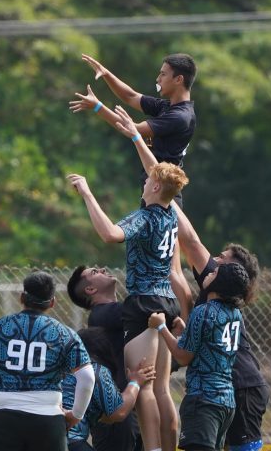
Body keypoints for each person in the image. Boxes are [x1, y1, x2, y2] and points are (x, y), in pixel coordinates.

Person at [110, 105, 270, 451]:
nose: (213, 262)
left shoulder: (209, 306)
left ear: (221, 275)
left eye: (220, 261)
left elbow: (187, 239)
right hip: (235, 390)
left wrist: (162, 187)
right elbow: (176, 276)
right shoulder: (230, 308)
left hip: (228, 389)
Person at [67, 163, 188, 451]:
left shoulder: (143, 217)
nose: (143, 184)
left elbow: (110, 234)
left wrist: (86, 193)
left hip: (144, 300)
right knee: (162, 389)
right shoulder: (171, 216)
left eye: (147, 181)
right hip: (167, 300)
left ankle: (153, 449)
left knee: (145, 387)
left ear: (156, 187)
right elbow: (175, 264)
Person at [0, 272, 95, 451]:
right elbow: (87, 378)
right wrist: (76, 414)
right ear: (52, 302)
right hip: (48, 419)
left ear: (21, 298)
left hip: (2, 419)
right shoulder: (65, 334)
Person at [149, 262, 250, 451]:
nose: (211, 272)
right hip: (226, 402)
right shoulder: (235, 314)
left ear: (221, 284)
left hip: (204, 401)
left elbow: (183, 357)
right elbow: (209, 345)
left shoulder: (203, 312)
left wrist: (161, 327)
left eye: (216, 272)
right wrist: (186, 332)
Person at [70, 53, 197, 199]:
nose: (158, 79)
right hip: (153, 194)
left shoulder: (180, 117)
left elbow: (133, 130)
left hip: (164, 200)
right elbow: (130, 96)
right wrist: (105, 73)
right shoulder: (168, 106)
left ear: (178, 79)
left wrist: (97, 107)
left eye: (163, 74)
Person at [68, 266, 143, 451]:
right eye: (94, 272)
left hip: (128, 403)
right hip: (115, 407)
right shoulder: (103, 314)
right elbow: (147, 308)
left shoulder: (114, 314)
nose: (102, 269)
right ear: (90, 290)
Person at [63, 327, 156, 451]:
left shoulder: (59, 366)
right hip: (70, 440)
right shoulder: (95, 369)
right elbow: (119, 411)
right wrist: (135, 382)